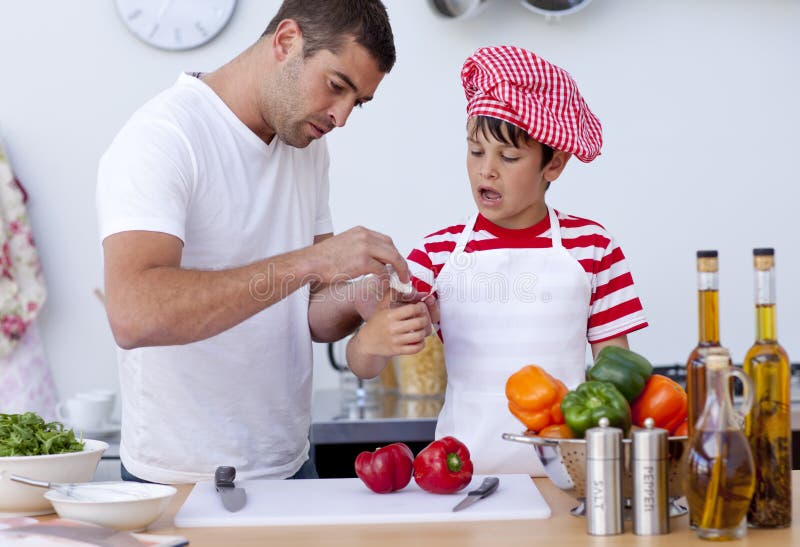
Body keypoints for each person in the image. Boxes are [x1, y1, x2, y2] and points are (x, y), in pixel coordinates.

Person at [96, 0, 434, 484]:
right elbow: (134, 315)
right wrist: (313, 261)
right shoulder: (164, 137)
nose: (341, 117)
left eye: (357, 102)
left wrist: (362, 296)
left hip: (291, 465)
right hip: (179, 479)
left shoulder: (306, 146)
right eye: (336, 86)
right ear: (286, 41)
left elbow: (307, 312)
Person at [346, 45, 648, 475]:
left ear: (554, 164)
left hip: (568, 475)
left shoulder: (594, 247)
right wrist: (369, 342)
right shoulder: (436, 254)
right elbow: (364, 366)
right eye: (475, 151)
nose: (486, 170)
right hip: (460, 475)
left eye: (508, 157)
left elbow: (617, 378)